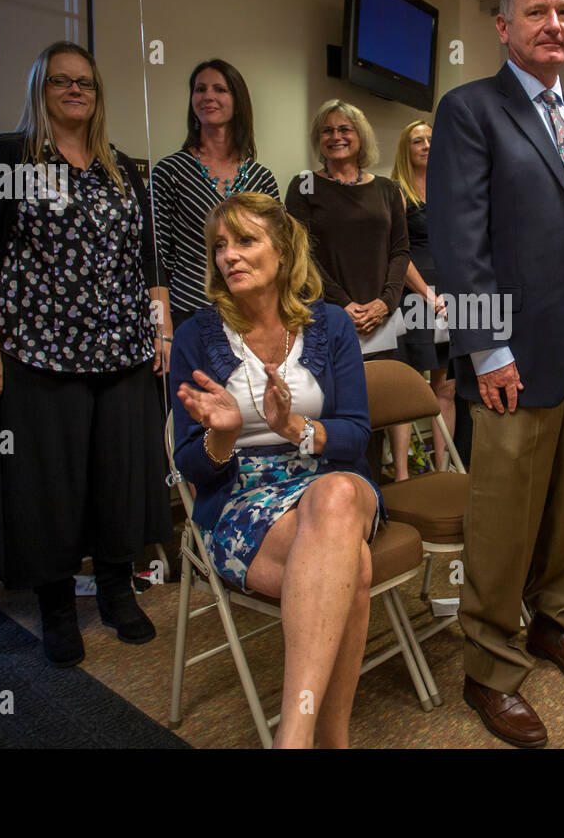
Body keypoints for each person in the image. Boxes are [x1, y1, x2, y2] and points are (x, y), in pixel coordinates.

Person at [427, 0, 564, 748]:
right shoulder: (470, 109)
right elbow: (459, 242)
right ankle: (489, 666)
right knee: (506, 515)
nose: (554, 24)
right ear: (504, 26)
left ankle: (555, 621)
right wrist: (486, 349)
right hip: (513, 349)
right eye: (538, 11)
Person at [0, 41, 171, 667]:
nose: (75, 90)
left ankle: (116, 590)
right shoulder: (5, 157)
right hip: (36, 354)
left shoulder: (122, 168)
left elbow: (149, 260)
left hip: (122, 352)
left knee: (118, 479)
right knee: (49, 486)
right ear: (39, 89)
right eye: (60, 81)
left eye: (86, 82)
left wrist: (160, 330)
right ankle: (56, 608)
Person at [170, 192, 380, 748]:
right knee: (353, 571)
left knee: (335, 497)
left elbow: (356, 433)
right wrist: (223, 434)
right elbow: (189, 465)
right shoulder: (194, 336)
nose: (229, 256)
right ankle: (330, 740)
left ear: (283, 252)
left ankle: (292, 737)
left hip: (330, 475)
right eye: (220, 246)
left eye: (245, 240)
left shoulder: (330, 325)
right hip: (239, 494)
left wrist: (295, 428)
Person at [151, 59, 280, 330]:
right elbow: (155, 256)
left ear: (238, 101)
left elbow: (277, 251)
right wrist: (162, 327)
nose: (208, 96)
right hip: (190, 310)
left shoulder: (262, 177)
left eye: (220, 89)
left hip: (252, 312)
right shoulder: (170, 171)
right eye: (200, 89)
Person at [284, 100, 409, 357]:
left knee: (387, 382)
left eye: (344, 129)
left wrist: (385, 303)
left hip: (381, 320)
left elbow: (400, 251)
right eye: (327, 131)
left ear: (361, 136)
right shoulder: (304, 185)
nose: (336, 136)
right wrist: (342, 304)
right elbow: (300, 254)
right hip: (325, 314)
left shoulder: (387, 189)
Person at [387, 120, 455, 477]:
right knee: (407, 387)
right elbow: (397, 252)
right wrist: (428, 295)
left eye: (431, 138)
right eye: (418, 140)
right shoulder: (396, 192)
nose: (427, 145)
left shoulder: (448, 187)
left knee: (447, 386)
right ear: (406, 148)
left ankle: (442, 470)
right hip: (413, 294)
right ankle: (401, 475)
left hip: (450, 295)